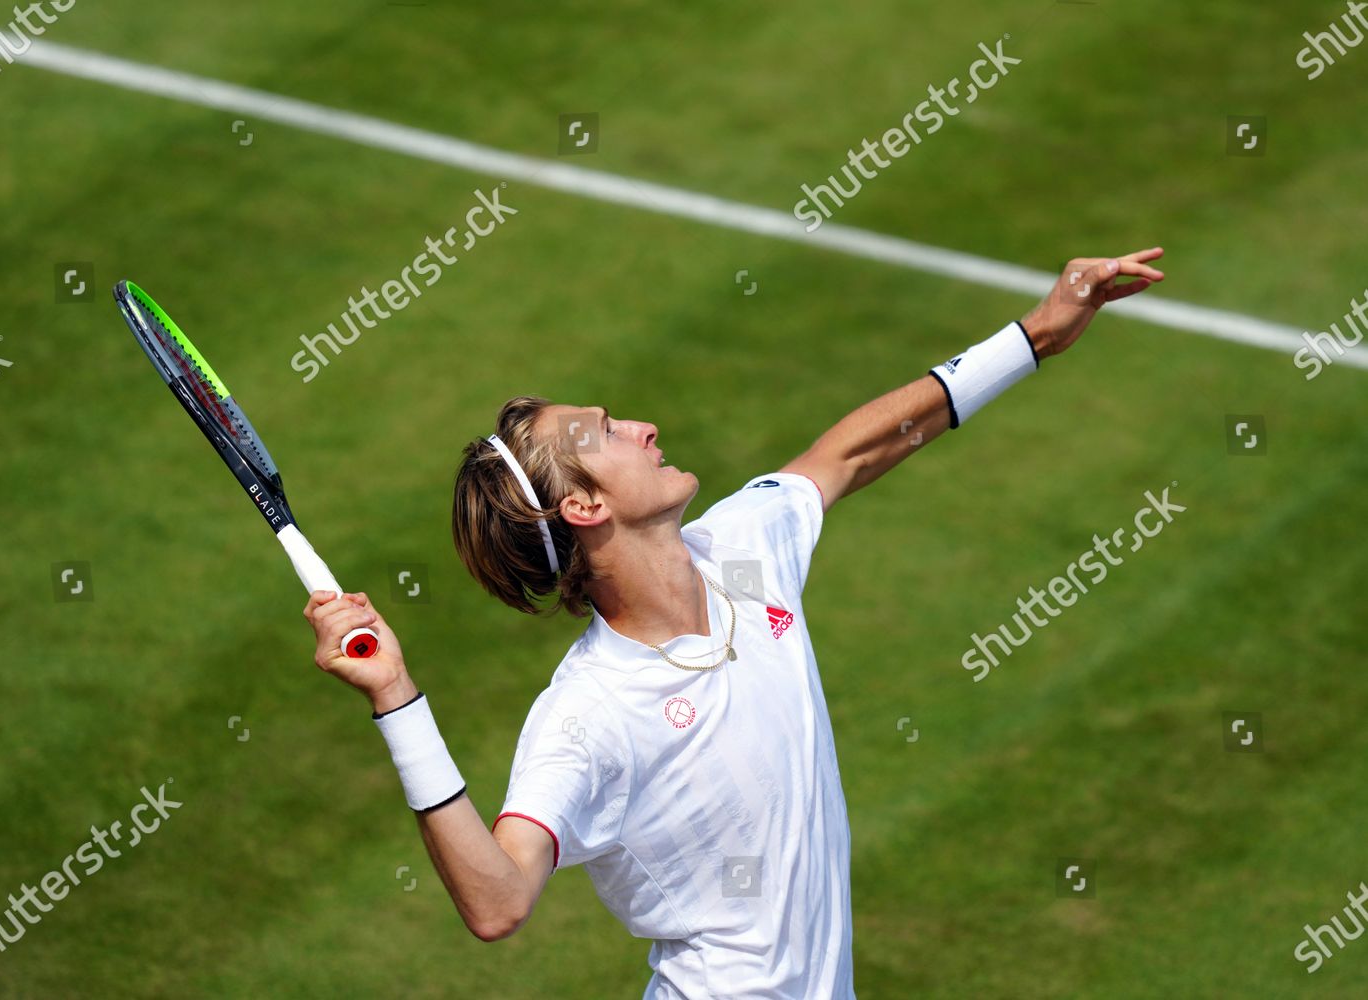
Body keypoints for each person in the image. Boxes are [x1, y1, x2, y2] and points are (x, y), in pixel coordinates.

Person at [304, 248, 1166, 998]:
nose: (644, 427)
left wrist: (1038, 334)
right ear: (582, 504)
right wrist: (397, 694)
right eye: (608, 433)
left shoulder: (745, 552)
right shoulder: (590, 714)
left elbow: (857, 450)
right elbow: (497, 902)